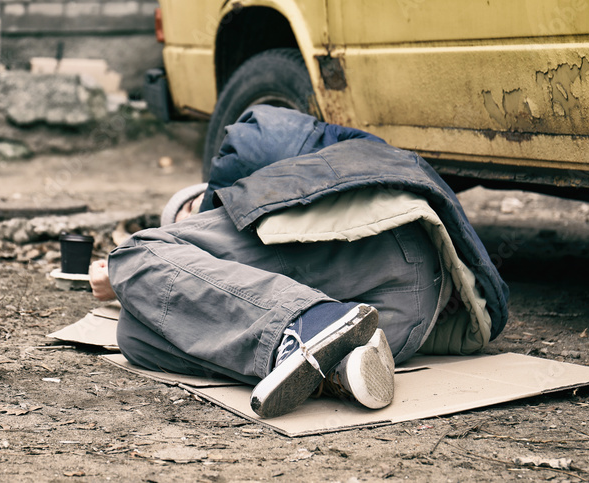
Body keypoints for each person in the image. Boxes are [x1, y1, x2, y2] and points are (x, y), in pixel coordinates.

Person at [89, 105, 508, 418]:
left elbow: (267, 135)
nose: (191, 225)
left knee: (133, 255)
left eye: (188, 214)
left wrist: (214, 198)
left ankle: (306, 327)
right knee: (133, 336)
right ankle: (335, 366)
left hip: (379, 239)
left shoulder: (245, 177)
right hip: (401, 319)